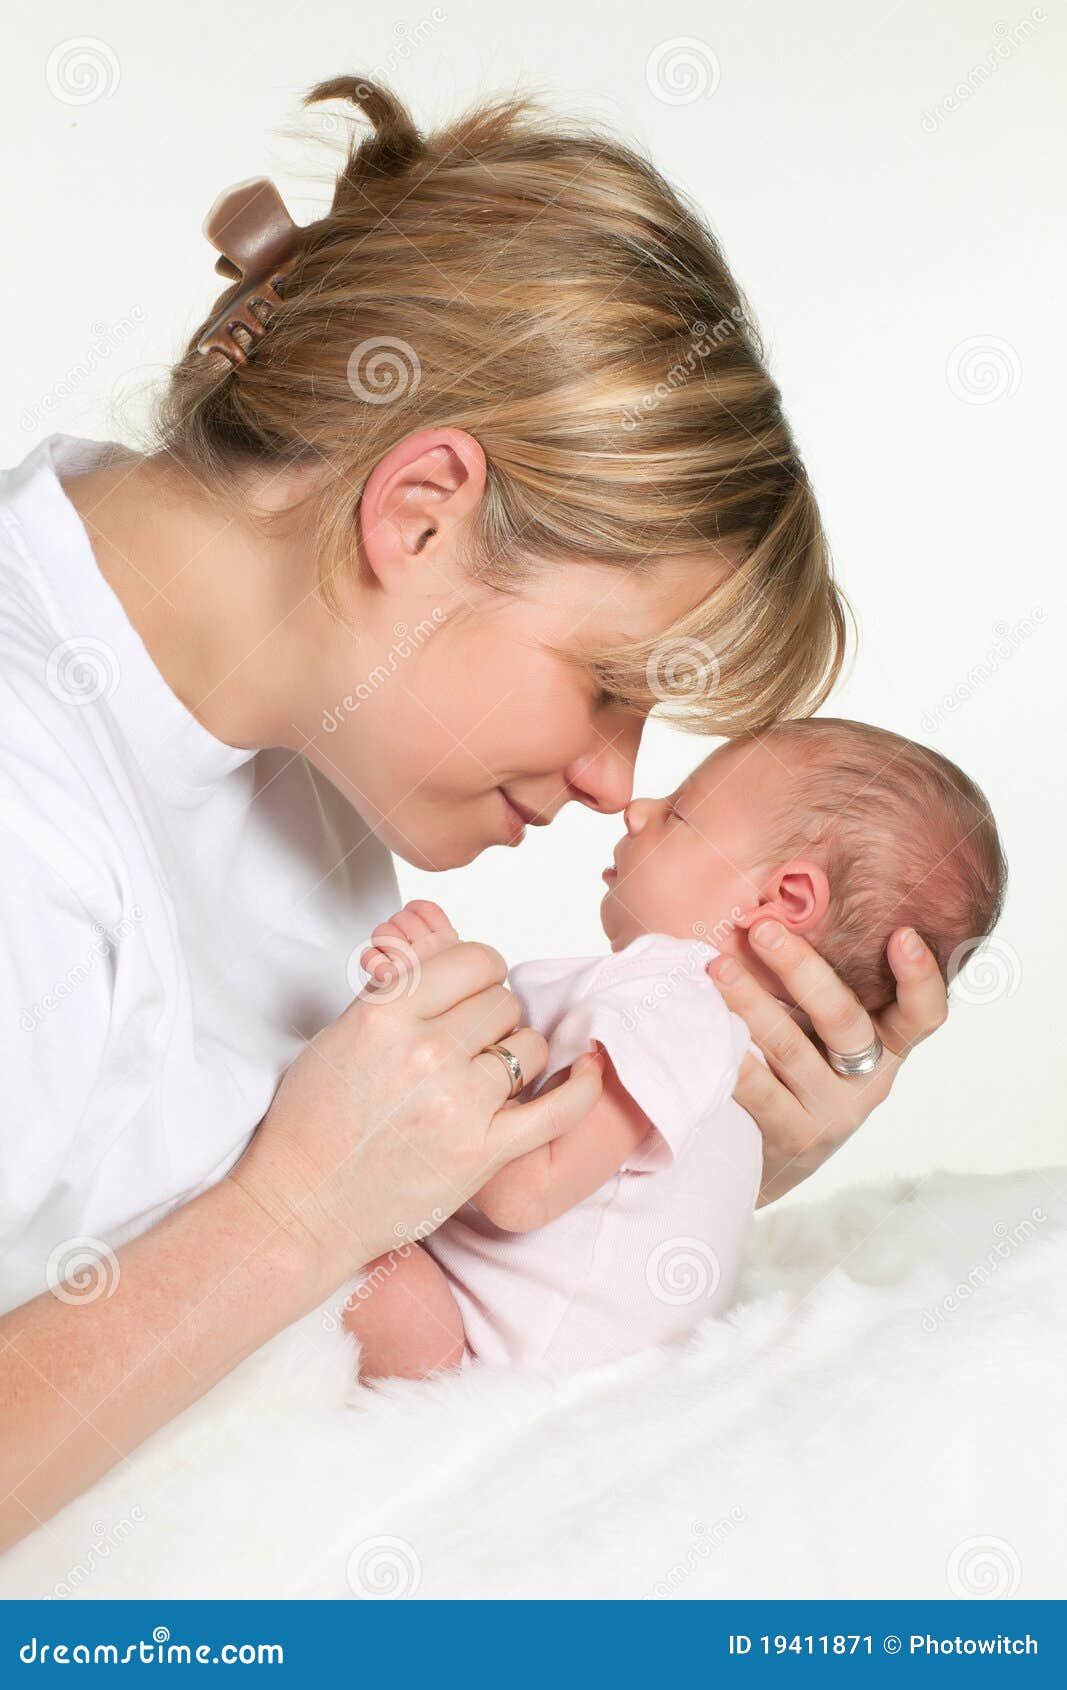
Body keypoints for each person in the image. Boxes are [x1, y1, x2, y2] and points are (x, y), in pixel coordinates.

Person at [0, 77, 948, 1548]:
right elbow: (293, 1226)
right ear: (422, 507)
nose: (615, 785)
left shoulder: (283, 749)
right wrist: (289, 1219)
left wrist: (688, 1164)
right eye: (609, 684)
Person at [348, 721, 1005, 1378]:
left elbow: (526, 1191)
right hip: (547, 1367)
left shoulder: (671, 999)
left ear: (783, 898)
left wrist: (440, 1014)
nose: (637, 809)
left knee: (343, 1245)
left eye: (679, 813)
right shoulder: (723, 1064)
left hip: (477, 1352)